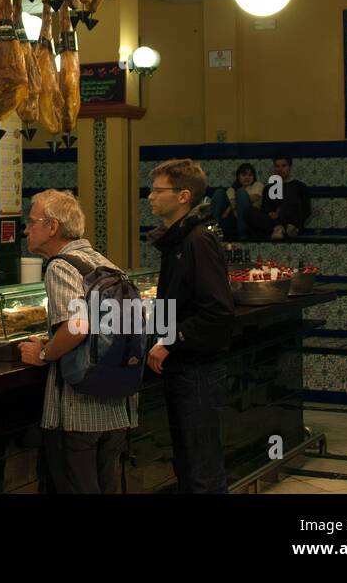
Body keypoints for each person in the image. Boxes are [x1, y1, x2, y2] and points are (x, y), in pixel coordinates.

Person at [18, 190, 136, 494]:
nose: (26, 229)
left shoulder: (60, 266)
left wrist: (44, 352)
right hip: (117, 402)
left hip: (78, 410)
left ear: (52, 226)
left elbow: (78, 326)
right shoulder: (103, 262)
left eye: (32, 222)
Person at [146, 159, 235, 493]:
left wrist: (170, 340)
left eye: (158, 190)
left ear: (183, 196)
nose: (150, 196)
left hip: (197, 369)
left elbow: (218, 312)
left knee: (201, 469)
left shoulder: (198, 240)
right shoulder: (178, 239)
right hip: (185, 366)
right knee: (188, 463)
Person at [208, 163, 263, 240]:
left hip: (248, 217)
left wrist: (231, 207)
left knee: (241, 193)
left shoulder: (257, 185)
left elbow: (255, 197)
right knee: (219, 192)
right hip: (233, 217)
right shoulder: (232, 190)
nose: (247, 177)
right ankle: (212, 229)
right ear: (238, 177)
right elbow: (229, 204)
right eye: (244, 175)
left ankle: (242, 234)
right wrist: (231, 208)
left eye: (250, 175)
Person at [263, 156, 311, 240]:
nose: (280, 169)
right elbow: (265, 207)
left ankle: (288, 227)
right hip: (274, 223)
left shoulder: (299, 186)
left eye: (283, 166)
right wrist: (270, 213)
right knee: (250, 212)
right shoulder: (268, 188)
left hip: (293, 221)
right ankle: (280, 227)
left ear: (290, 167)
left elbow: (306, 209)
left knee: (289, 193)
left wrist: (282, 212)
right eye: (277, 166)